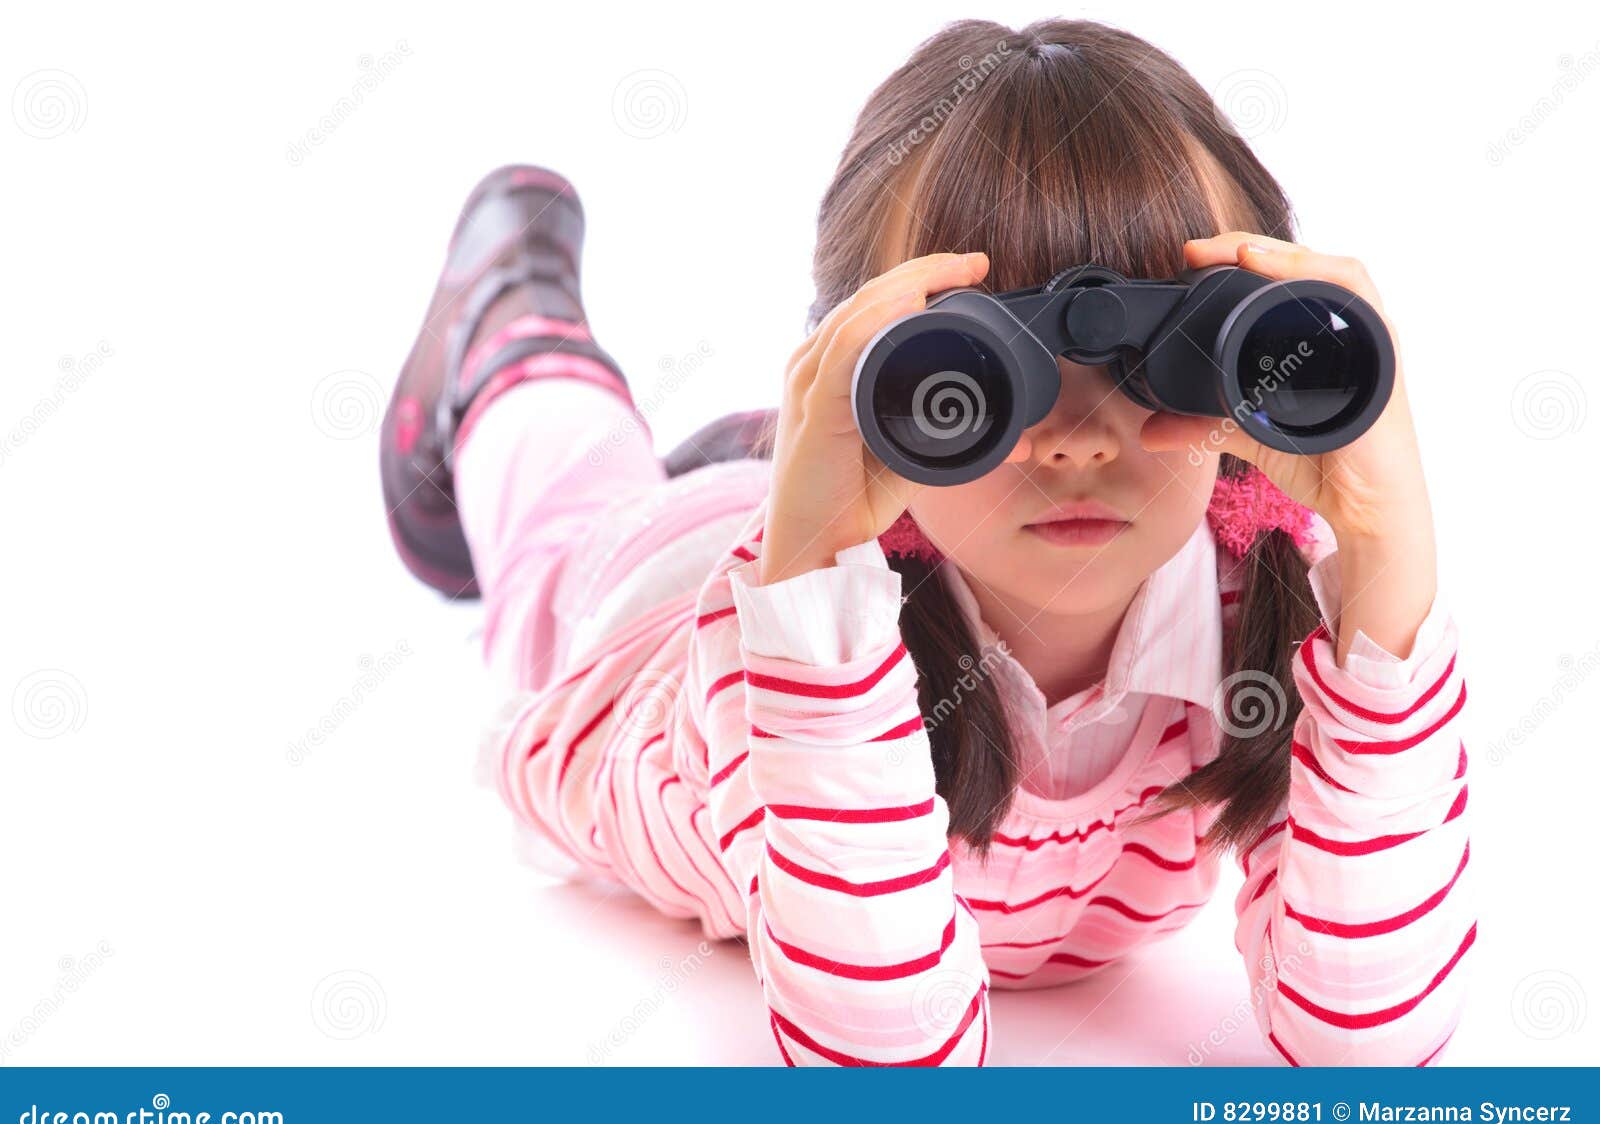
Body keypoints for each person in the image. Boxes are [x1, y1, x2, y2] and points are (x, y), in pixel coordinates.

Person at [378, 18, 1470, 1066]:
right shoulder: (781, 656)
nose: (1076, 440)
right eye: (981, 366)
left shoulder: (1276, 626)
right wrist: (809, 540)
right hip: (668, 597)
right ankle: (516, 325)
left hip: (894, 516)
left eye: (1161, 354)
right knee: (560, 522)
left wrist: (1386, 550)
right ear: (852, 367)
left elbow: (1365, 1045)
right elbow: (890, 1061)